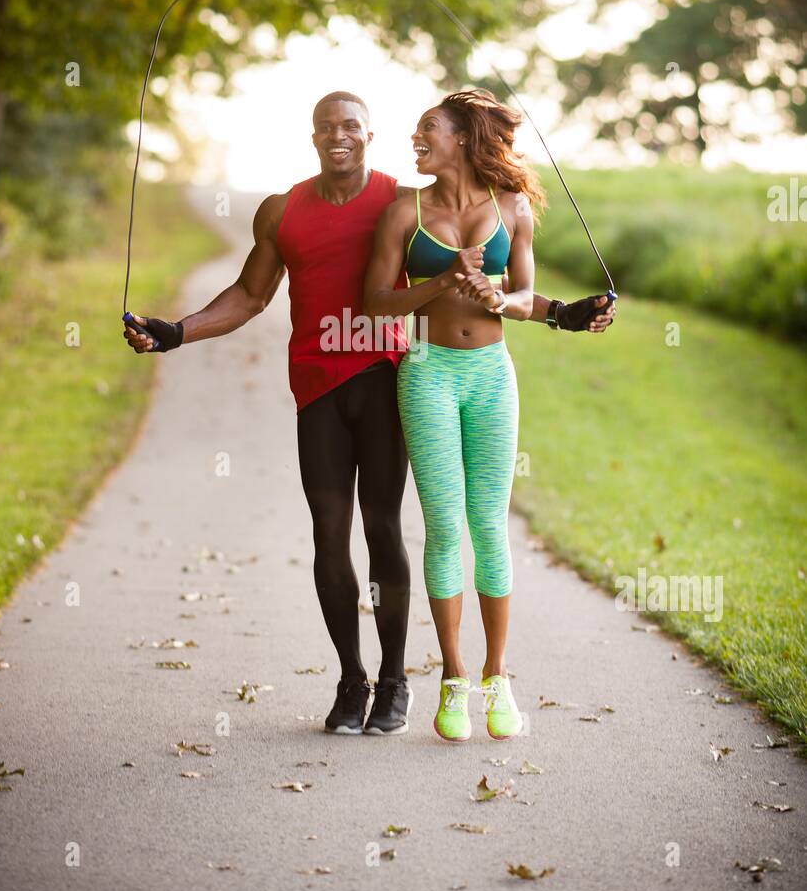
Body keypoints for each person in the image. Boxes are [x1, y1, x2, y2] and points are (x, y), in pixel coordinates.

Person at [125, 90, 615, 739]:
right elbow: (250, 295)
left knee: (386, 526)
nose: (339, 135)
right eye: (326, 126)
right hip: (321, 386)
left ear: (369, 134)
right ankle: (353, 679)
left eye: (351, 125)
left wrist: (563, 313)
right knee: (331, 530)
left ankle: (395, 684)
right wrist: (174, 332)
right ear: (312, 136)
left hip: (387, 378)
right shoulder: (289, 211)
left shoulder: (400, 198)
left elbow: (493, 276)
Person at [362, 88, 616, 743]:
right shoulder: (402, 211)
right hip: (428, 373)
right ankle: (453, 680)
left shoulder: (513, 209)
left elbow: (527, 296)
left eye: (429, 129)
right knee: (445, 528)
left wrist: (512, 298)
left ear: (465, 138)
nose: (416, 139)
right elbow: (375, 303)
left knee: (489, 524)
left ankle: (497, 677)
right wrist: (447, 282)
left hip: (491, 377)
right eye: (417, 130)